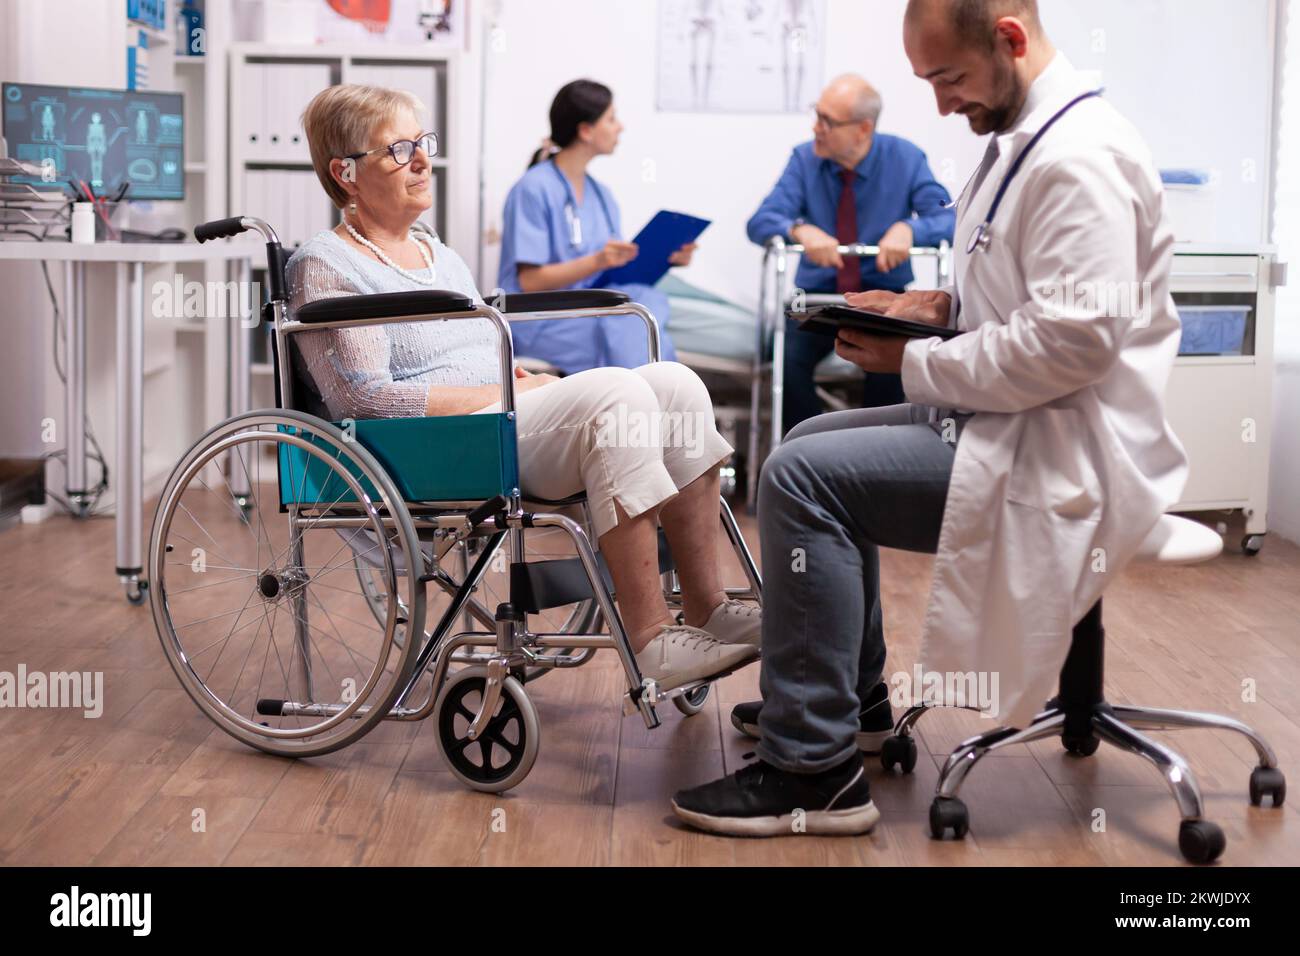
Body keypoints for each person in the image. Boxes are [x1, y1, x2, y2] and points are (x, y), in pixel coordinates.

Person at [673, 0, 1188, 836]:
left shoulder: (1079, 160)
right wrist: (932, 307)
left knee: (803, 480)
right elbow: (1022, 299)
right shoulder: (1021, 147)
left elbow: (1072, 346)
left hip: (1063, 449)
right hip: (1013, 420)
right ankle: (854, 705)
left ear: (1012, 40)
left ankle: (813, 770)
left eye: (948, 77)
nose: (942, 103)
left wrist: (911, 359)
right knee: (802, 444)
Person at [286, 84, 761, 691]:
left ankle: (708, 606)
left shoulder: (438, 255)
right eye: (398, 149)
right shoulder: (325, 265)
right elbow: (367, 400)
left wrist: (517, 379)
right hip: (436, 448)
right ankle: (651, 641)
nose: (422, 160)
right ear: (344, 173)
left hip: (496, 419)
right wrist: (501, 396)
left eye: (422, 144)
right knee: (621, 397)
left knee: (678, 386)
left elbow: (481, 352)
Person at [747, 74, 955, 432]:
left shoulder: (905, 158)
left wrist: (911, 229)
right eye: (817, 115)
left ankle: (873, 458)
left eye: (827, 120)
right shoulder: (804, 160)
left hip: (884, 303)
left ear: (862, 129)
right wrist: (798, 229)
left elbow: (949, 218)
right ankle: (811, 448)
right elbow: (760, 221)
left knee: (894, 362)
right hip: (816, 300)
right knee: (787, 360)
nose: (817, 127)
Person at [498, 79, 697, 373]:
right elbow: (529, 282)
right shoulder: (533, 189)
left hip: (591, 311)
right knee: (634, 326)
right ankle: (654, 408)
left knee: (641, 308)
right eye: (612, 119)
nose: (621, 127)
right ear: (586, 130)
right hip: (539, 322)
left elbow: (614, 271)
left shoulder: (602, 195)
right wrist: (597, 260)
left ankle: (648, 407)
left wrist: (666, 258)